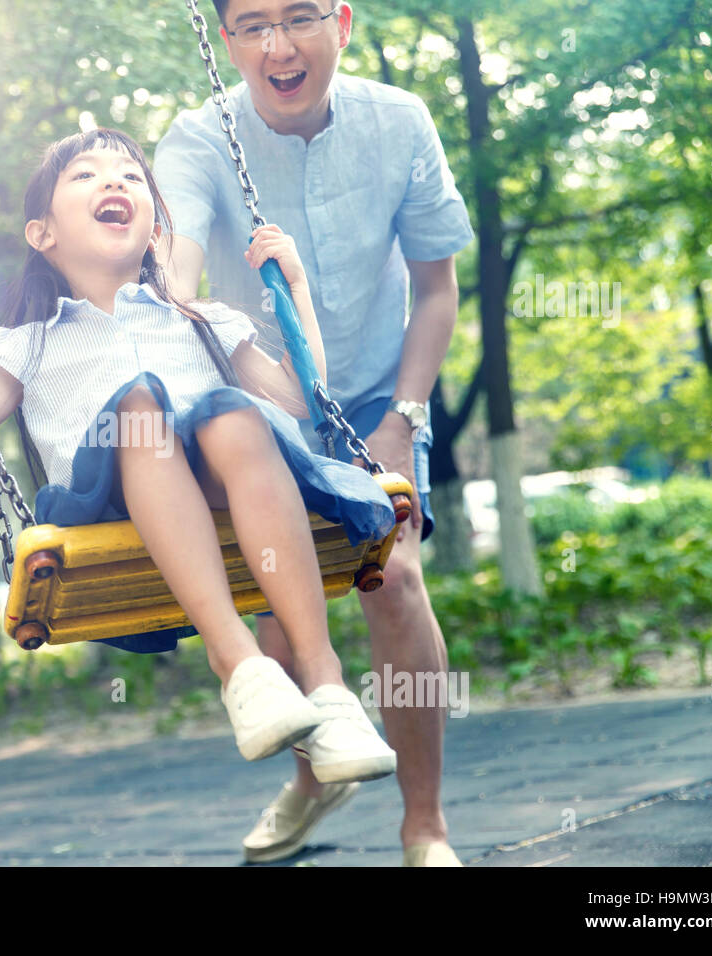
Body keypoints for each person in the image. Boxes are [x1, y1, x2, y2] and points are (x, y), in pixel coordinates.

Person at [0, 126, 400, 783]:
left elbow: (303, 397)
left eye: (131, 176)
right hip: (106, 508)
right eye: (85, 175)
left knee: (233, 413)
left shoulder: (201, 318)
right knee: (138, 406)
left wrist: (295, 285)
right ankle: (239, 666)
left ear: (155, 223)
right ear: (42, 234)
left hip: (223, 487)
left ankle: (328, 688)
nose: (114, 181)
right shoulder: (28, 343)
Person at [154, 0, 474, 865]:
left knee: (394, 580)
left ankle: (425, 825)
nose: (278, 45)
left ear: (341, 21)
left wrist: (405, 419)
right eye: (253, 25)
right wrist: (170, 285)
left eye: (299, 18)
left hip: (377, 396)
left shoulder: (399, 121)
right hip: (265, 409)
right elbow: (177, 252)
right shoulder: (196, 139)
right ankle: (313, 778)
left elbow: (436, 287)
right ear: (227, 42)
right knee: (280, 623)